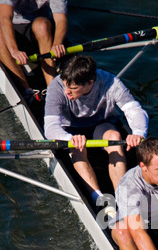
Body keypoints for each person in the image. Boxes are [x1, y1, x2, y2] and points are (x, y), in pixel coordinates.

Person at [44, 55, 148, 207]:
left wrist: (138, 132)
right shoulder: (57, 85)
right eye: (66, 86)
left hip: (102, 125)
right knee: (76, 148)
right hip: (71, 130)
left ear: (90, 83)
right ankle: (98, 198)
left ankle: (122, 197)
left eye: (72, 89)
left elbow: (134, 110)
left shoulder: (110, 83)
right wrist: (69, 139)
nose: (66, 92)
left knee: (115, 137)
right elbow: (50, 127)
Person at [0, 0, 68, 101]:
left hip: (40, 28)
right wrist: (14, 50)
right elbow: (4, 19)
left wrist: (57, 43)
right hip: (13, 27)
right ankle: (27, 91)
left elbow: (61, 19)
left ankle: (52, 89)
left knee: (41, 25)